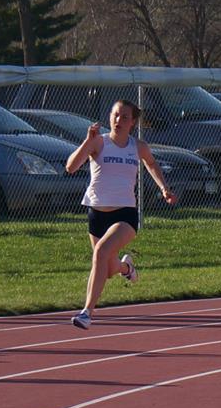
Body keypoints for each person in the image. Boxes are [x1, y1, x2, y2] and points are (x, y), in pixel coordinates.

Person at [64, 99, 175, 330]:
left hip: (125, 215)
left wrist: (163, 187)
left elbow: (152, 164)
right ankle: (127, 268)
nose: (118, 120)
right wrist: (87, 141)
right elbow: (71, 167)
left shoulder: (138, 146)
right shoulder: (98, 143)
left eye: (124, 117)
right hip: (96, 214)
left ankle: (86, 313)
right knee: (106, 269)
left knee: (101, 252)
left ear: (133, 122)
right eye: (115, 115)